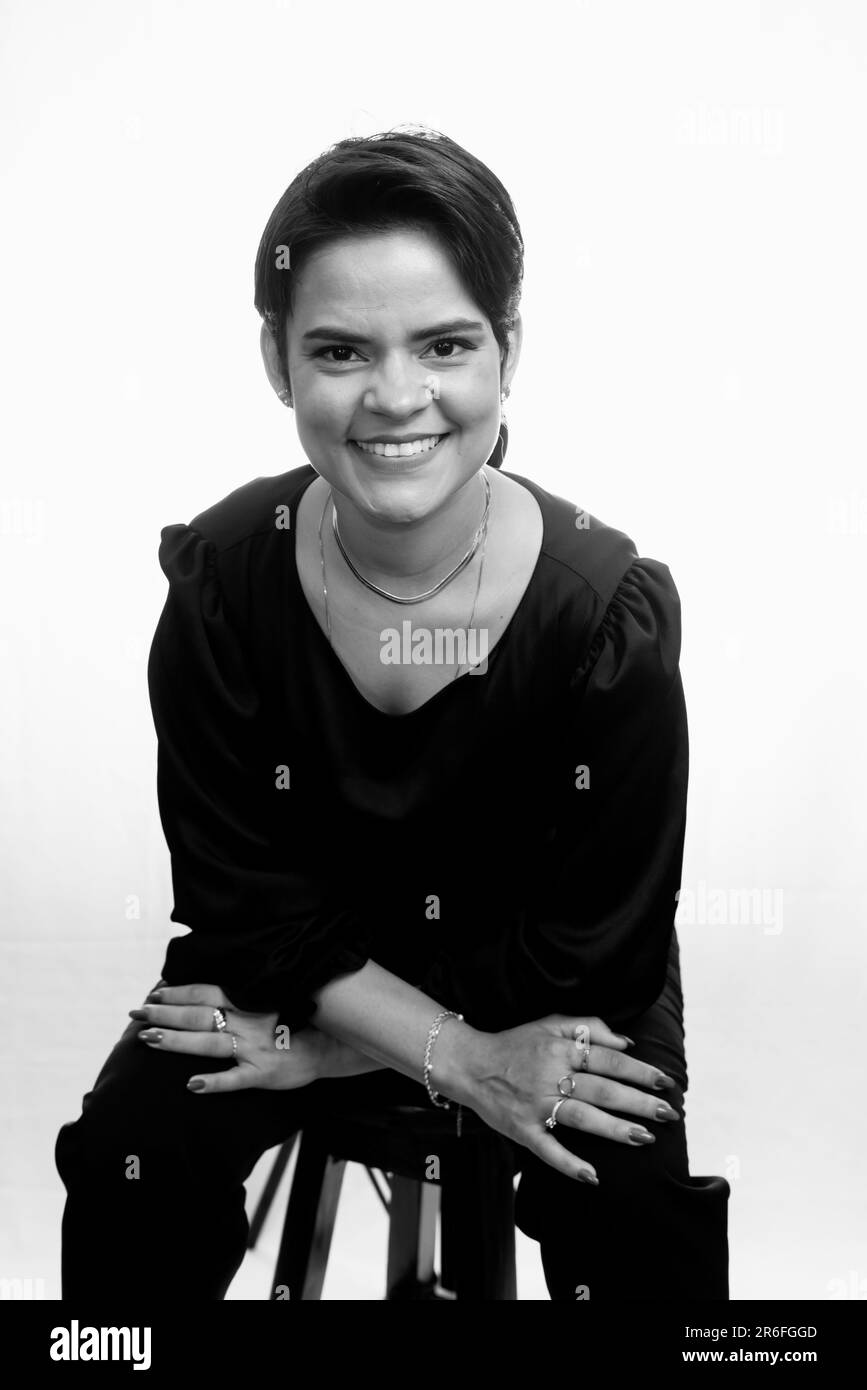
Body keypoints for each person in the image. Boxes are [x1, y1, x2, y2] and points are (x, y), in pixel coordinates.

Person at [55, 127, 730, 1301]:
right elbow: (250, 911)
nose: (397, 396)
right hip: (305, 960)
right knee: (135, 1158)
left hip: (542, 978)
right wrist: (449, 1055)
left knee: (634, 1208)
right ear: (276, 358)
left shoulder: (607, 610)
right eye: (339, 349)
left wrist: (332, 1052)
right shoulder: (223, 578)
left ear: (507, 351)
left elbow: (598, 950)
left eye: (446, 343)